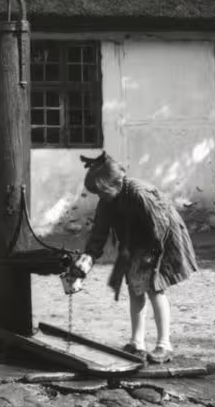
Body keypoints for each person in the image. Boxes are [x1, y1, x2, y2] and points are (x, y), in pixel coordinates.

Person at [70, 151, 199, 364]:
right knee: (134, 288)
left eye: (100, 192)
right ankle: (136, 343)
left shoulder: (140, 193)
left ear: (114, 184)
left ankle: (164, 345)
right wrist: (86, 259)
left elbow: (159, 226)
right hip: (135, 243)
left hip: (160, 240)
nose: (99, 197)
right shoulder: (106, 201)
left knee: (154, 288)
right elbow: (99, 234)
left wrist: (148, 260)